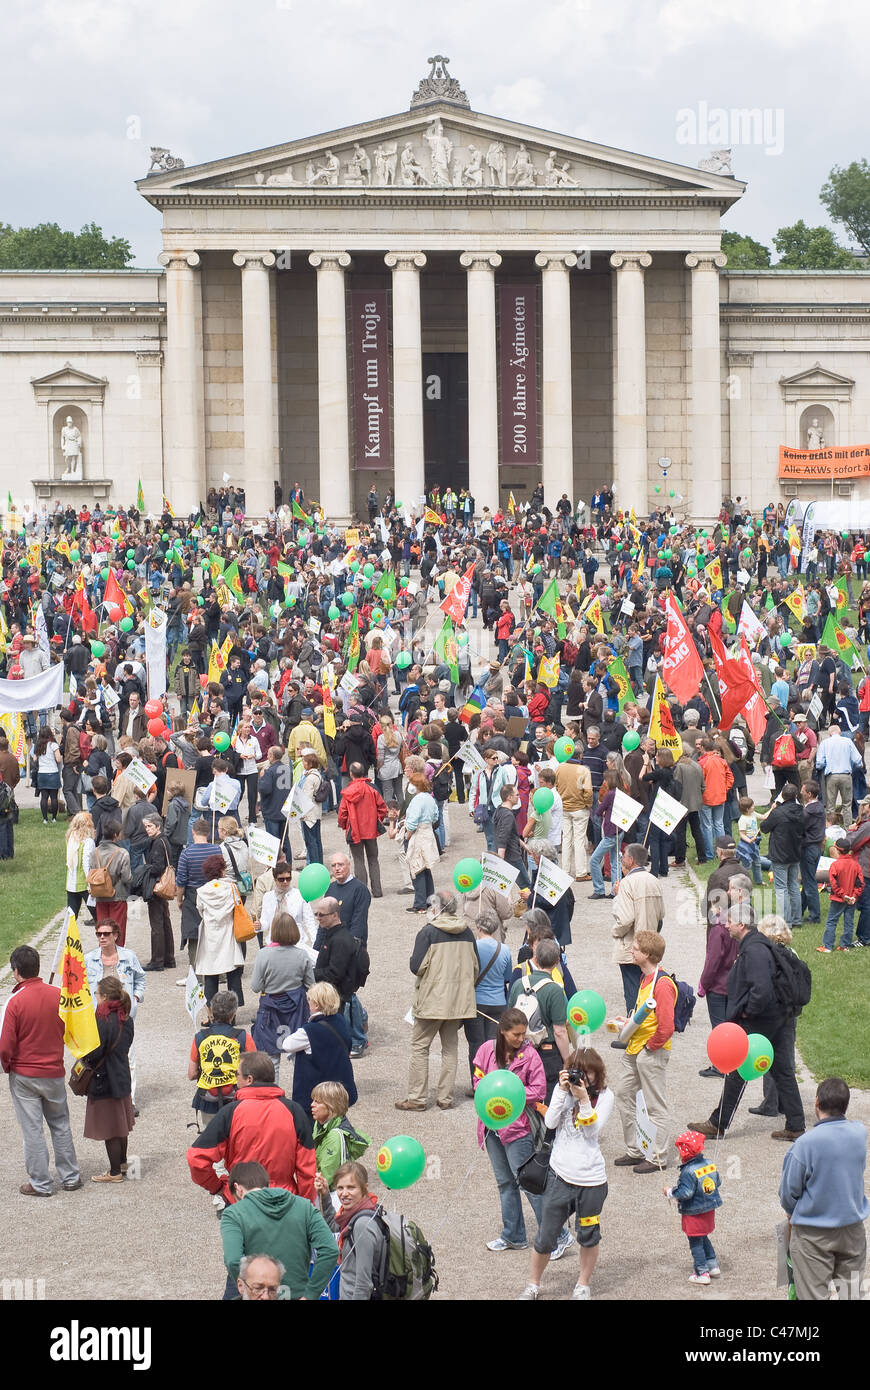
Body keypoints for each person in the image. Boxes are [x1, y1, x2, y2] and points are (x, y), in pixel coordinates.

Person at [690, 877, 806, 1142]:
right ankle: (796, 1125)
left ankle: (718, 1123)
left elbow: (761, 990)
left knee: (737, 1070)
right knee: (781, 1070)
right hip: (778, 1016)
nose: (725, 924)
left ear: (741, 925)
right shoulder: (755, 944)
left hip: (763, 1018)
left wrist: (746, 1014)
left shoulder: (754, 950)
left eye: (729, 921)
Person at [518, 1047, 613, 1300]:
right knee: (545, 1236)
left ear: (597, 1073)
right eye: (577, 1072)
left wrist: (583, 1099)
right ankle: (533, 1284)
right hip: (559, 1177)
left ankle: (582, 1284)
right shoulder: (564, 1091)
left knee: (588, 1237)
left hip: (591, 1182)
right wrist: (561, 1091)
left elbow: (592, 1131)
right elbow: (549, 1122)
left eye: (588, 1073)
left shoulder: (605, 1096)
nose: (582, 1078)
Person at [473, 1008, 557, 1256]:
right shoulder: (486, 1050)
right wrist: (489, 1092)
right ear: (502, 1031)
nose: (521, 1039)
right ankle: (513, 1235)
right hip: (491, 1127)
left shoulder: (530, 1056)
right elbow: (478, 1081)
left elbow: (539, 1090)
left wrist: (512, 1092)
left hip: (518, 1129)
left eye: (523, 1034)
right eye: (515, 1035)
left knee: (529, 1183)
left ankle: (556, 1236)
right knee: (505, 1183)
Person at [0, 944, 83, 1196]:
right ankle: (70, 1176)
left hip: (25, 1074)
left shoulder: (14, 1002)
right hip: (54, 1071)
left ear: (16, 971)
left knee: (32, 1129)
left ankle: (41, 1182)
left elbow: (5, 1045)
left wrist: (7, 1066)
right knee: (61, 1124)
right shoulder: (59, 995)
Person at [779, 1077, 869, 1301]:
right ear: (845, 1106)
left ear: (816, 1102)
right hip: (852, 1229)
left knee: (812, 1295)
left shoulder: (804, 1145)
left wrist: (795, 1213)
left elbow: (788, 1194)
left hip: (813, 1234)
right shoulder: (859, 1133)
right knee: (852, 1294)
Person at [187, 1051, 316, 1202]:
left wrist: (218, 1187)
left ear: (249, 1079)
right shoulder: (294, 1111)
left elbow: (196, 1159)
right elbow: (307, 1170)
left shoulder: (231, 1112)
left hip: (243, 1200)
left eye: (237, 1074)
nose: (235, 1080)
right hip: (285, 1200)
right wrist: (303, 1205)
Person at [396, 893, 478, 1112]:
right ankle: (445, 1097)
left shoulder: (428, 932)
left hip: (432, 999)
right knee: (450, 1048)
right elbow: (475, 967)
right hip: (457, 1002)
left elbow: (416, 967)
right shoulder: (468, 932)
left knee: (420, 1047)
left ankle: (417, 1098)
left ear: (437, 907)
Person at [221, 1161, 338, 1301]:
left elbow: (233, 1260)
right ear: (267, 1184)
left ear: (238, 1188)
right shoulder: (304, 1206)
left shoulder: (233, 1213)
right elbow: (330, 1249)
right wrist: (311, 1294)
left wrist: (249, 1291)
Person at [613, 930, 677, 1173]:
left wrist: (650, 1047)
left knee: (655, 1105)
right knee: (623, 1094)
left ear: (648, 955)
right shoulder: (645, 979)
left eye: (636, 948)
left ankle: (659, 1157)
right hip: (636, 1049)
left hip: (650, 1052)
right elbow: (645, 1015)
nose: (631, 950)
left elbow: (667, 1026)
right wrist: (627, 1021)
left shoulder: (662, 984)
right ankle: (635, 1150)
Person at [250, 912, 316, 1074]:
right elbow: (311, 984)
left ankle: (274, 1095)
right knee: (297, 1055)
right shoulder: (302, 954)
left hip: (270, 1008)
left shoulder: (264, 954)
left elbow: (256, 986)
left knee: (272, 1059)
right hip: (297, 1008)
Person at [507, 937, 571, 1099]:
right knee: (547, 1100)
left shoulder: (518, 984)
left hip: (520, 1048)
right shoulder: (554, 990)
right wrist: (567, 1059)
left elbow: (507, 1019)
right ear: (557, 961)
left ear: (534, 958)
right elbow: (559, 1031)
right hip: (546, 1052)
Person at [282, 981, 358, 1109]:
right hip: (338, 1089)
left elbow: (287, 1045)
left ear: (316, 1005)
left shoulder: (308, 1031)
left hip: (315, 1094)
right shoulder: (340, 1020)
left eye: (309, 1000)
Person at [664, 1130, 723, 1286]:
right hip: (709, 1208)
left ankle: (701, 1272)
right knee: (703, 1236)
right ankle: (712, 1265)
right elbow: (718, 1182)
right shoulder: (710, 1164)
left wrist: (670, 1192)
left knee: (695, 1241)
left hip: (694, 1212)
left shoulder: (688, 1171)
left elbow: (686, 1192)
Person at [610, 843, 664, 1014]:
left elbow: (625, 918)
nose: (622, 860)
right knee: (647, 984)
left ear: (630, 859)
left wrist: (615, 931)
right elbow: (661, 914)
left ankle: (633, 1024)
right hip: (651, 942)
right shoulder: (654, 880)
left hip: (632, 945)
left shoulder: (627, 883)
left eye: (623, 856)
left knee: (632, 988)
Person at [189, 989, 256, 1123]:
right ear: (233, 1014)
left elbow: (191, 1074)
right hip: (236, 1098)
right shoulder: (243, 1037)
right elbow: (256, 1071)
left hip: (208, 1099)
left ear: (212, 1011)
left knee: (212, 1141)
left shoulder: (200, 1037)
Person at [312, 897, 366, 1058]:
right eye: (317, 914)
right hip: (332, 997)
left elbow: (335, 973)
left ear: (335, 915)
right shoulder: (331, 934)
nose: (318, 918)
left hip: (337, 1000)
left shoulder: (341, 940)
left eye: (322, 915)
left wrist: (310, 973)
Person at [463, 911, 512, 1083]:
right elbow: (507, 977)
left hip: (476, 1001)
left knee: (476, 1044)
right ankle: (493, 1081)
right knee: (494, 1045)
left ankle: (477, 1082)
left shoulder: (472, 948)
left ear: (478, 927)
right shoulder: (504, 949)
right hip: (498, 1002)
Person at [195, 854, 245, 1007]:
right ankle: (233, 1010)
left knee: (210, 973)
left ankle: (211, 1013)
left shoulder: (201, 891)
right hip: (228, 932)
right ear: (222, 870)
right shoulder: (231, 888)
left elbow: (200, 910)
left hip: (210, 934)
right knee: (233, 972)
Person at [175, 818, 222, 971]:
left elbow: (181, 880)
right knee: (214, 933)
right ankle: (218, 971)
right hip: (214, 894)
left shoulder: (187, 853)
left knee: (193, 935)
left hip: (193, 896)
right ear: (208, 833)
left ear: (193, 832)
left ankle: (196, 971)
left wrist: (179, 899)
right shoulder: (216, 850)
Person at [310, 1081, 371, 1194]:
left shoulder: (334, 1136)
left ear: (331, 1106)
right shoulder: (320, 1125)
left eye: (317, 1102)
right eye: (313, 1100)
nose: (312, 1105)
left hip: (329, 1194)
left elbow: (326, 1176)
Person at [337, 763, 388, 896]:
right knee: (373, 859)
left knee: (358, 860)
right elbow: (382, 808)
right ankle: (377, 890)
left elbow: (342, 813)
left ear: (351, 774)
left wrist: (344, 825)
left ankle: (362, 892)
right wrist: (377, 821)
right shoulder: (372, 789)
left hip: (354, 830)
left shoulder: (347, 791)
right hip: (371, 829)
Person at [760, 784, 804, 930]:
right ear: (796, 796)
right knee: (793, 885)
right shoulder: (801, 811)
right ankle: (797, 919)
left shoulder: (778, 812)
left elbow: (764, 827)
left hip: (780, 854)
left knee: (781, 888)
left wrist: (773, 809)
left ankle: (786, 921)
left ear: (782, 796)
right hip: (795, 852)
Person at [88, 818, 132, 945]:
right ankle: (117, 956)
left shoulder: (94, 852)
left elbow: (91, 872)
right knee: (117, 929)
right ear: (115, 835)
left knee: (103, 930)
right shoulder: (122, 853)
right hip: (117, 896)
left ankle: (104, 956)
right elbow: (126, 878)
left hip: (100, 895)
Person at [141, 813, 176, 971]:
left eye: (150, 826)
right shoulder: (164, 840)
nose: (147, 829)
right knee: (164, 921)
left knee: (157, 924)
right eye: (146, 826)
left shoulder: (157, 843)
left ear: (158, 826)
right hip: (164, 885)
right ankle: (169, 957)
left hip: (157, 886)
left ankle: (157, 960)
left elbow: (156, 867)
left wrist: (144, 869)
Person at [818, 835, 864, 953]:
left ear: (838, 850)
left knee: (832, 921)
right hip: (852, 900)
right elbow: (860, 883)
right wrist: (854, 896)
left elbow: (834, 883)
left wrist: (843, 895)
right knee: (849, 922)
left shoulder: (835, 865)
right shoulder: (856, 864)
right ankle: (845, 945)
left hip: (838, 899)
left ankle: (828, 946)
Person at [327, 851, 371, 944]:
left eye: (340, 865)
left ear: (349, 865)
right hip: (332, 944)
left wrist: (348, 948)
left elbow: (358, 923)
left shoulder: (360, 889)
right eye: (333, 865)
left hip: (352, 946)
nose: (337, 868)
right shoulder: (330, 889)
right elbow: (324, 921)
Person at [65, 811, 95, 918]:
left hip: (71, 883)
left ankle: (69, 935)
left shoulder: (71, 838)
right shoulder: (88, 841)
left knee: (71, 918)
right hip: (84, 883)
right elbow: (86, 863)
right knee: (97, 915)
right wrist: (91, 883)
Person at [34, 725, 62, 823]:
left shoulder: (38, 745)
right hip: (53, 773)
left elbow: (34, 759)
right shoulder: (53, 745)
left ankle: (45, 819)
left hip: (42, 773)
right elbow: (58, 759)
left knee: (44, 797)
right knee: (54, 797)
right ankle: (54, 818)